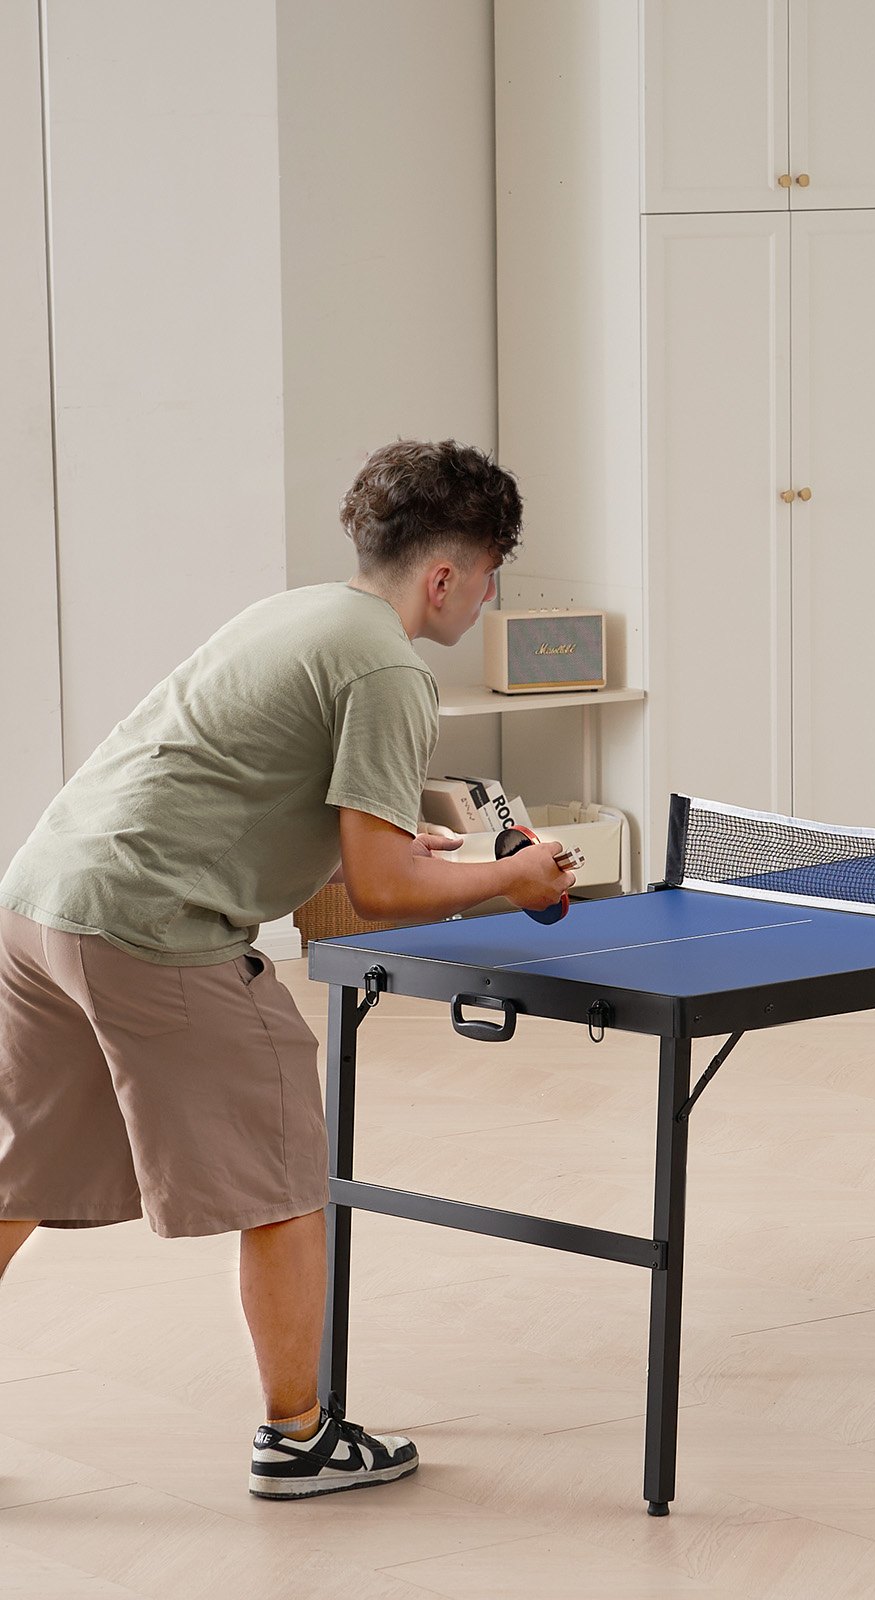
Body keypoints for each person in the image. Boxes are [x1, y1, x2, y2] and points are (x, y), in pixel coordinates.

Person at [0, 438, 575, 1495]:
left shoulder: (298, 612)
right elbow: (378, 891)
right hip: (147, 924)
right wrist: (516, 879)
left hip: (42, 901)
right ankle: (299, 1436)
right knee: (282, 1169)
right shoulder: (392, 668)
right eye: (490, 578)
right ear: (444, 575)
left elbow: (311, 815)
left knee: (19, 1173)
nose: (488, 600)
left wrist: (421, 853)